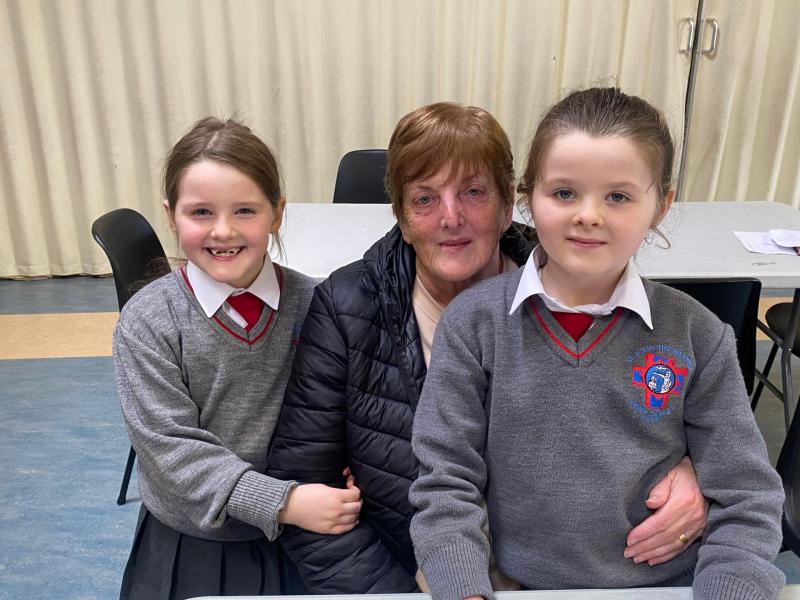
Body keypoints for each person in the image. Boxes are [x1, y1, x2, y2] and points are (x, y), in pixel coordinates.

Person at [267, 102, 709, 593]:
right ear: (402, 216)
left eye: (473, 193)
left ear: (508, 206)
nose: (451, 218)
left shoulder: (582, 292)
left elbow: (667, 426)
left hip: (567, 574)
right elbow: (306, 492)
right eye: (424, 199)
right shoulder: (346, 308)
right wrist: (399, 594)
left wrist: (696, 471)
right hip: (407, 571)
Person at [409, 88, 785, 599]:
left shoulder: (698, 335)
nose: (588, 215)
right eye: (564, 193)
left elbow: (745, 497)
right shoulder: (473, 325)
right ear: (528, 196)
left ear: (661, 205)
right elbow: (445, 483)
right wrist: (465, 588)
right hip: (514, 586)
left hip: (667, 585)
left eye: (619, 196)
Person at [113, 117, 362, 600]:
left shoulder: (320, 304)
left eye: (245, 210)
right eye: (201, 212)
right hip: (198, 539)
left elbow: (356, 405)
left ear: (277, 213)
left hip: (307, 538)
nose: (223, 231)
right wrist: (284, 502)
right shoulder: (148, 323)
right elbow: (172, 452)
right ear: (171, 215)